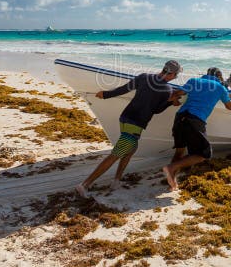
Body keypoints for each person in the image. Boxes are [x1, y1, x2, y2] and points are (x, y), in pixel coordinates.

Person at [75, 60, 185, 197]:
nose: (175, 78)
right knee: (116, 154)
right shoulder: (167, 90)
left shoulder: (144, 77)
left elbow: (124, 89)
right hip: (135, 124)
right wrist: (170, 102)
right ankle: (84, 184)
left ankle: (116, 181)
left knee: (131, 149)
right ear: (172, 74)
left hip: (125, 118)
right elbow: (156, 110)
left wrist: (106, 95)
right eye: (176, 75)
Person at [163, 67, 231, 191]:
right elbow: (229, 107)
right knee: (203, 154)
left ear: (207, 74)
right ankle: (170, 168)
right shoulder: (220, 88)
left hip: (180, 117)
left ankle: (171, 184)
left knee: (180, 150)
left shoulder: (194, 81)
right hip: (195, 120)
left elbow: (176, 94)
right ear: (219, 77)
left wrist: (174, 101)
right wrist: (227, 95)